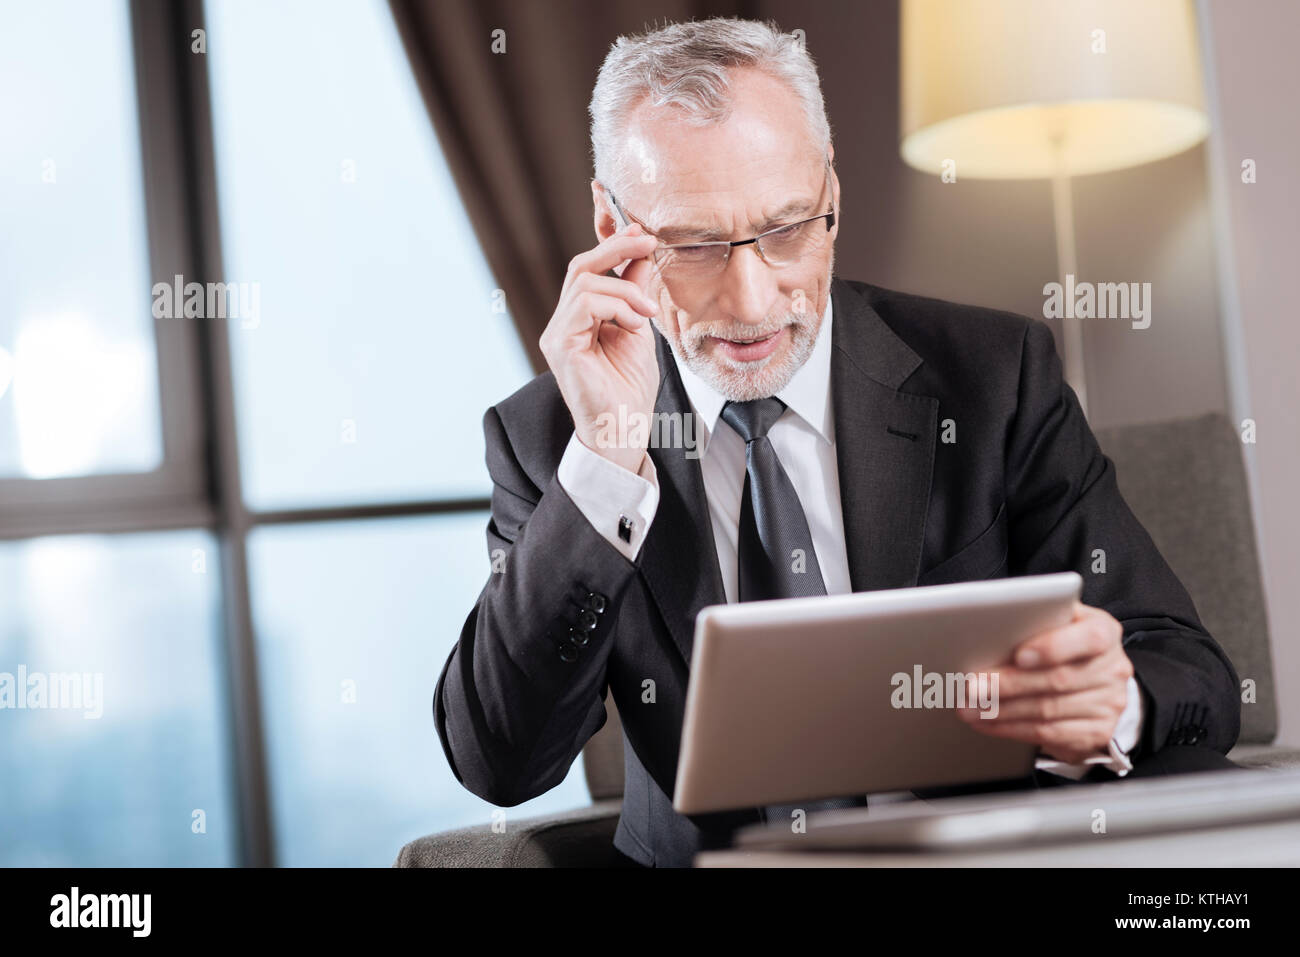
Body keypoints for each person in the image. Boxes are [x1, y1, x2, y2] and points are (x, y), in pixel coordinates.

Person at [432, 17, 1241, 868]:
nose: (750, 300)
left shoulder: (994, 378)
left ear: (833, 197)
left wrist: (1114, 705)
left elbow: (1194, 674)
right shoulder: (550, 437)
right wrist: (606, 458)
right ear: (612, 225)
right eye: (696, 246)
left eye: (786, 230)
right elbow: (500, 763)